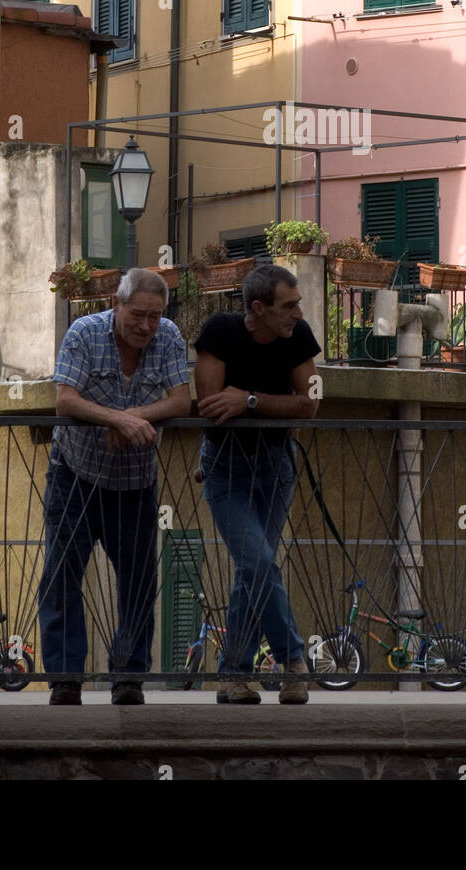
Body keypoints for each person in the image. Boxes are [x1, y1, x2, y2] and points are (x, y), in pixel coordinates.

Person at [38, 267, 190, 705]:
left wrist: (135, 415)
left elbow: (182, 399)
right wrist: (116, 418)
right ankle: (66, 678)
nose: (146, 325)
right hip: (75, 472)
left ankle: (128, 676)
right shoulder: (84, 333)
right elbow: (64, 397)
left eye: (155, 316)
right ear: (116, 306)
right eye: (138, 314)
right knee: (62, 574)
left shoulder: (170, 337)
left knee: (139, 580)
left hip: (135, 481)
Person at [195, 264, 321, 705]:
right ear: (258, 308)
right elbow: (212, 405)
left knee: (253, 570)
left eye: (297, 303)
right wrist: (276, 408)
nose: (297, 312)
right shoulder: (221, 331)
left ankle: (233, 674)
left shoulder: (299, 336)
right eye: (289, 305)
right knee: (261, 563)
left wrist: (247, 399)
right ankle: (294, 661)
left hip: (275, 467)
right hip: (226, 468)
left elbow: (311, 405)